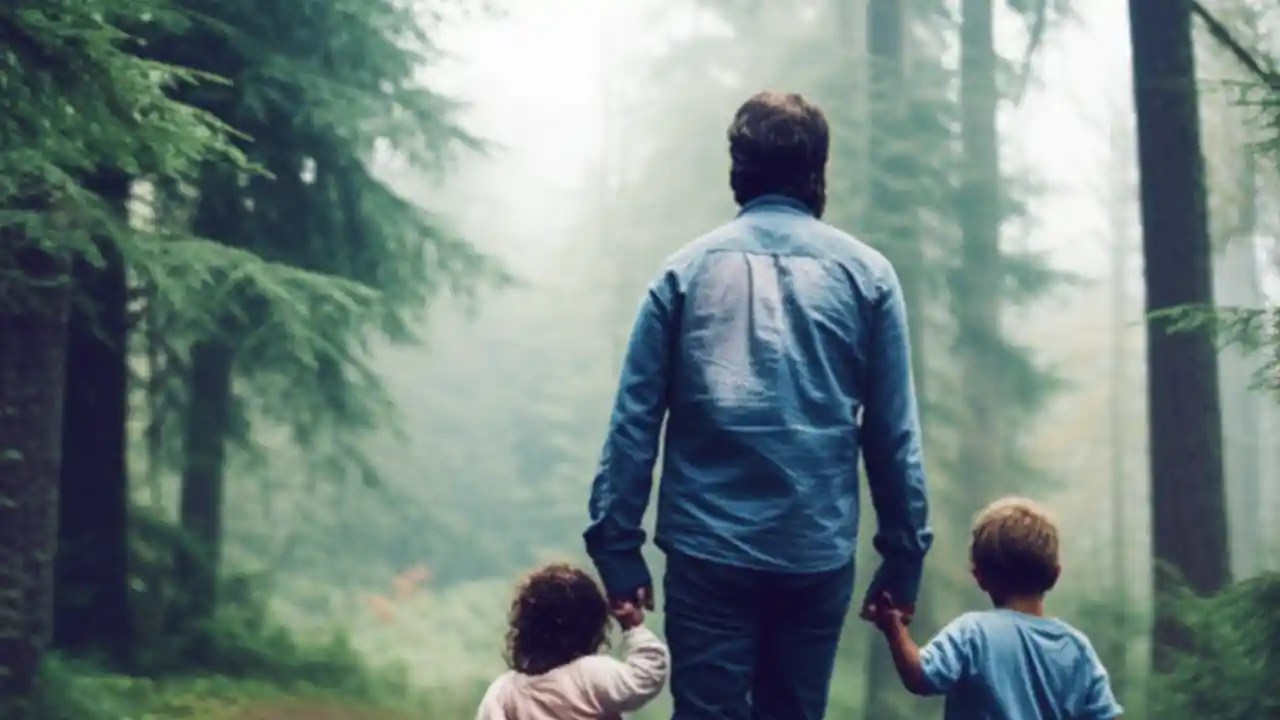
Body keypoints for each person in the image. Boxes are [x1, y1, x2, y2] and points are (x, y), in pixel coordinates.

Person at [583, 90, 933, 719]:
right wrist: (903, 557)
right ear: (817, 172)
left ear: (737, 170)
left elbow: (635, 423)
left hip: (706, 550)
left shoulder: (683, 274)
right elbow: (892, 436)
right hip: (815, 553)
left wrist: (618, 547)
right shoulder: (869, 278)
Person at [865, 497, 1124, 719]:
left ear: (979, 576)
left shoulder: (973, 633)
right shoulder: (1077, 648)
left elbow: (920, 676)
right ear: (1055, 575)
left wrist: (894, 628)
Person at [475, 563, 668, 720]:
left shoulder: (504, 691)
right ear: (592, 627)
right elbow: (647, 676)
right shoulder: (589, 675)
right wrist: (633, 628)